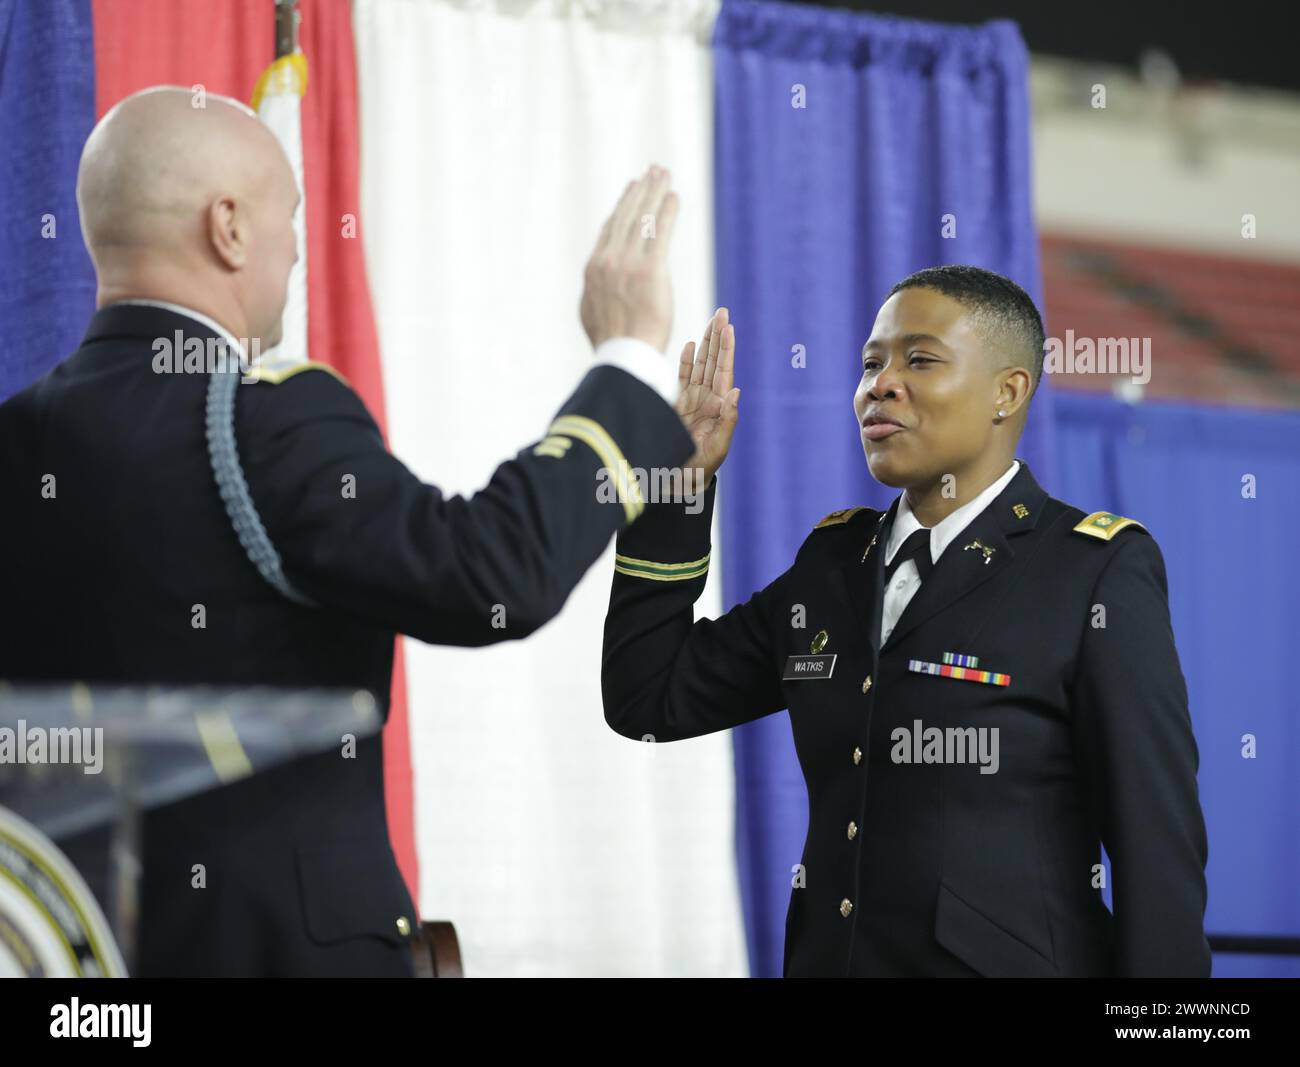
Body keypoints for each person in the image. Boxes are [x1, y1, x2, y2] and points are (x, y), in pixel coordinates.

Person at [0, 86, 696, 976]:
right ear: (229, 228)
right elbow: (490, 575)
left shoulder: (18, 439)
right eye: (290, 216)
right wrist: (628, 357)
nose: (297, 247)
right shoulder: (262, 420)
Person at [601, 266, 1211, 977]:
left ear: (1006, 392)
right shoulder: (833, 565)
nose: (880, 384)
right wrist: (683, 485)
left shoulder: (1092, 572)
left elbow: (1155, 849)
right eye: (871, 363)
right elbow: (649, 696)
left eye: (919, 359)